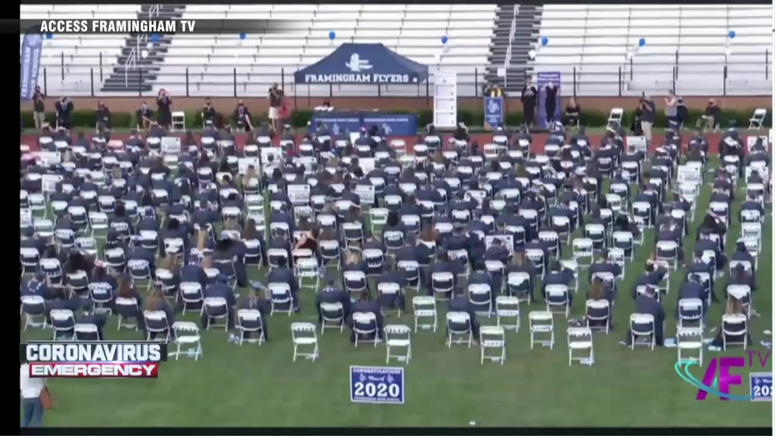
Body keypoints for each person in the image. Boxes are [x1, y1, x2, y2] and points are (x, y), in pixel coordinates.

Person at [20, 362, 48, 427]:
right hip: (38, 395)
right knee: (38, 420)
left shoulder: (22, 368)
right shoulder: (39, 367)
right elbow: (44, 381)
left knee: (26, 419)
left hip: (25, 396)